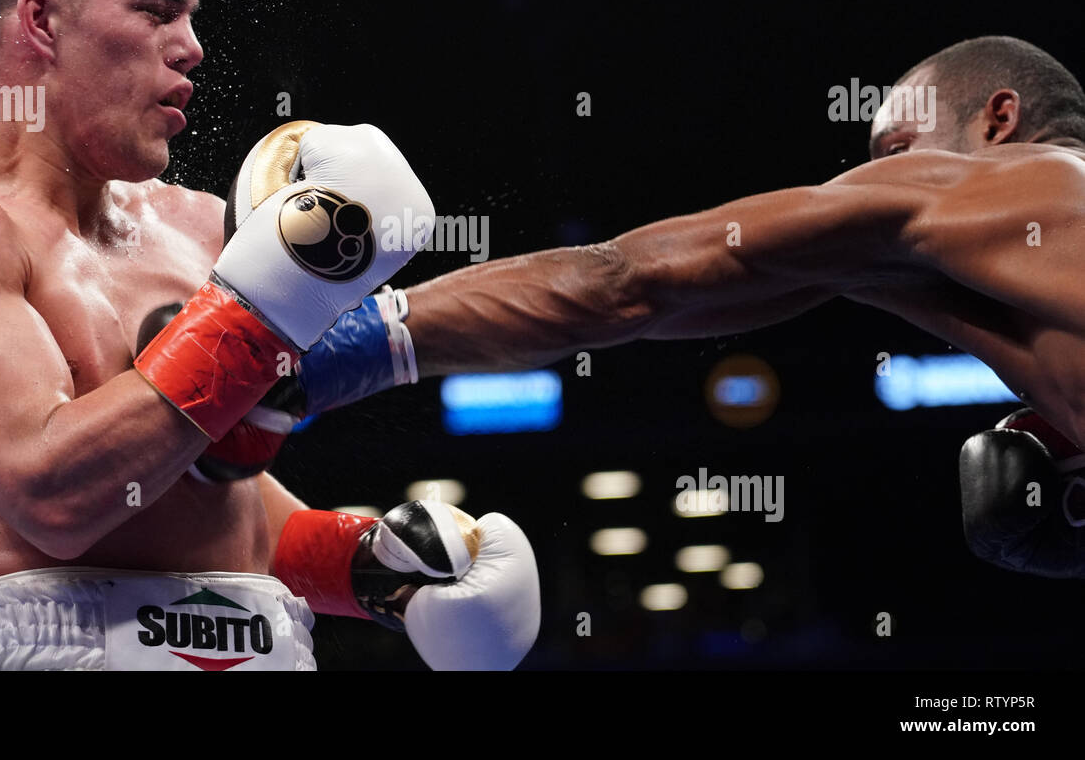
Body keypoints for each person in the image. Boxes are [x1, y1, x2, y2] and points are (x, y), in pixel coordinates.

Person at [0, 0, 540, 671]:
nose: (193, 47)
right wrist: (270, 305)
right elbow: (53, 496)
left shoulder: (195, 226)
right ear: (42, 18)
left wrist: (366, 564)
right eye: (157, 8)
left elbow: (218, 514)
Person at [243, 35, 1085, 578]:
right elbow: (668, 303)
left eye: (896, 152)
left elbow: (626, 281)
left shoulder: (1014, 186)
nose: (874, 183)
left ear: (998, 120)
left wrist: (357, 342)